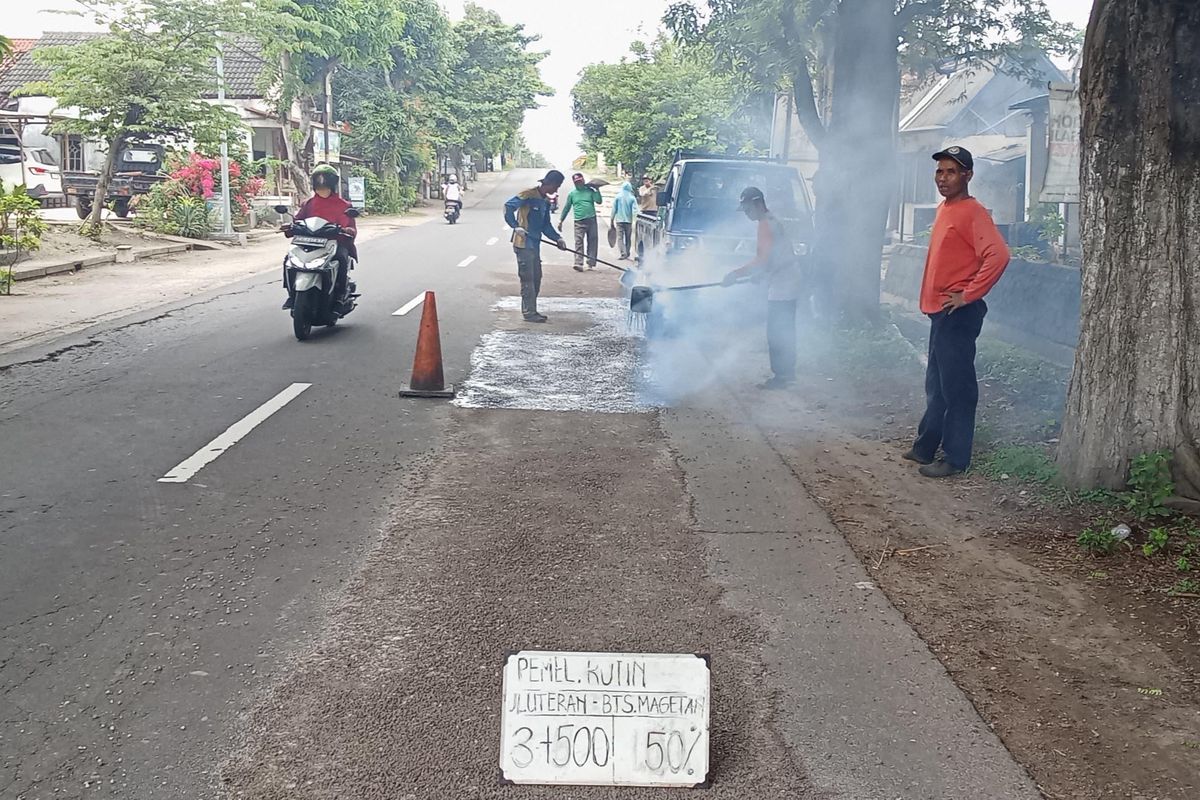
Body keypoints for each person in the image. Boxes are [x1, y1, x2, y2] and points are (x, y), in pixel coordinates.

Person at [904, 145, 1010, 478]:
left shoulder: (972, 211)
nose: (944, 178)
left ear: (968, 175)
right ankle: (925, 446)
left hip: (958, 313)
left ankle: (955, 458)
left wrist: (968, 294)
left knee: (958, 388)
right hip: (940, 312)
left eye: (952, 172)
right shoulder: (945, 208)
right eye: (940, 171)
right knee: (936, 383)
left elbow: (999, 255)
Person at [722, 187, 800, 390]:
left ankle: (783, 376)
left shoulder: (766, 224)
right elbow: (770, 259)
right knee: (783, 328)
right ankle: (787, 374)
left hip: (784, 281)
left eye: (748, 209)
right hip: (784, 277)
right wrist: (760, 274)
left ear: (757, 204)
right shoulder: (770, 220)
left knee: (778, 330)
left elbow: (763, 259)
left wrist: (736, 274)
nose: (747, 214)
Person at [281, 164, 357, 311]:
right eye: (319, 182)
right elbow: (297, 220)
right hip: (308, 242)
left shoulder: (344, 205)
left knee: (341, 257)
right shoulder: (308, 203)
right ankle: (292, 295)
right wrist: (290, 227)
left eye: (325, 183)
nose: (322, 186)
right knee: (288, 260)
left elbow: (350, 227)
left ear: (332, 184)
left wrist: (347, 230)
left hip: (334, 243)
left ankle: (340, 295)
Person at [504, 170, 568, 322]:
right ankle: (529, 312)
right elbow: (508, 207)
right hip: (523, 243)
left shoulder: (545, 201)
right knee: (527, 279)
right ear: (549, 183)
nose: (556, 190)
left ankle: (532, 309)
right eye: (557, 186)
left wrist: (557, 239)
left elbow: (546, 226)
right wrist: (515, 226)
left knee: (536, 278)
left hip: (535, 245)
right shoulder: (528, 195)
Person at [557, 172, 603, 271]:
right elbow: (566, 208)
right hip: (579, 221)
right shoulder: (572, 194)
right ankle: (578, 263)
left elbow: (599, 201)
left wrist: (597, 190)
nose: (579, 183)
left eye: (580, 181)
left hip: (591, 219)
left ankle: (590, 263)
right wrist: (561, 220)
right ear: (574, 183)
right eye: (577, 182)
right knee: (579, 242)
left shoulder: (590, 191)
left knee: (592, 241)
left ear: (583, 180)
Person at [610, 180, 637, 260]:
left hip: (619, 221)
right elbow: (635, 210)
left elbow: (614, 209)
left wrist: (611, 220)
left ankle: (623, 253)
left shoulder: (618, 197)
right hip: (628, 221)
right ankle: (627, 252)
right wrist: (635, 220)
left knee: (620, 238)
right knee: (628, 238)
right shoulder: (632, 198)